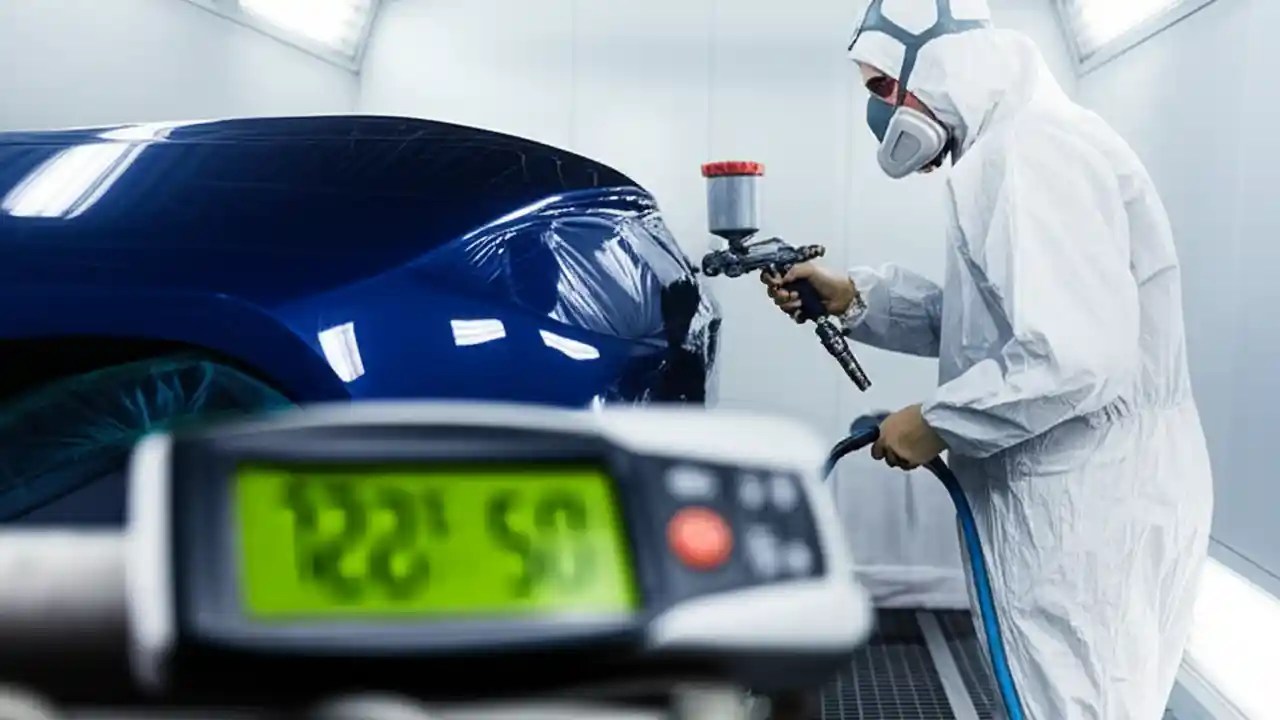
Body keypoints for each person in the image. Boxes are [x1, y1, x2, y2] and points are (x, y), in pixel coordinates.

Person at [763, 0, 1215, 717]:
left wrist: (936, 421)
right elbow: (991, 326)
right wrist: (854, 297)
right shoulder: (1013, 147)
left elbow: (1075, 356)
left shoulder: (1033, 154)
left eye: (882, 88)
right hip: (1084, 490)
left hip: (1089, 503)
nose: (881, 115)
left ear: (940, 63)